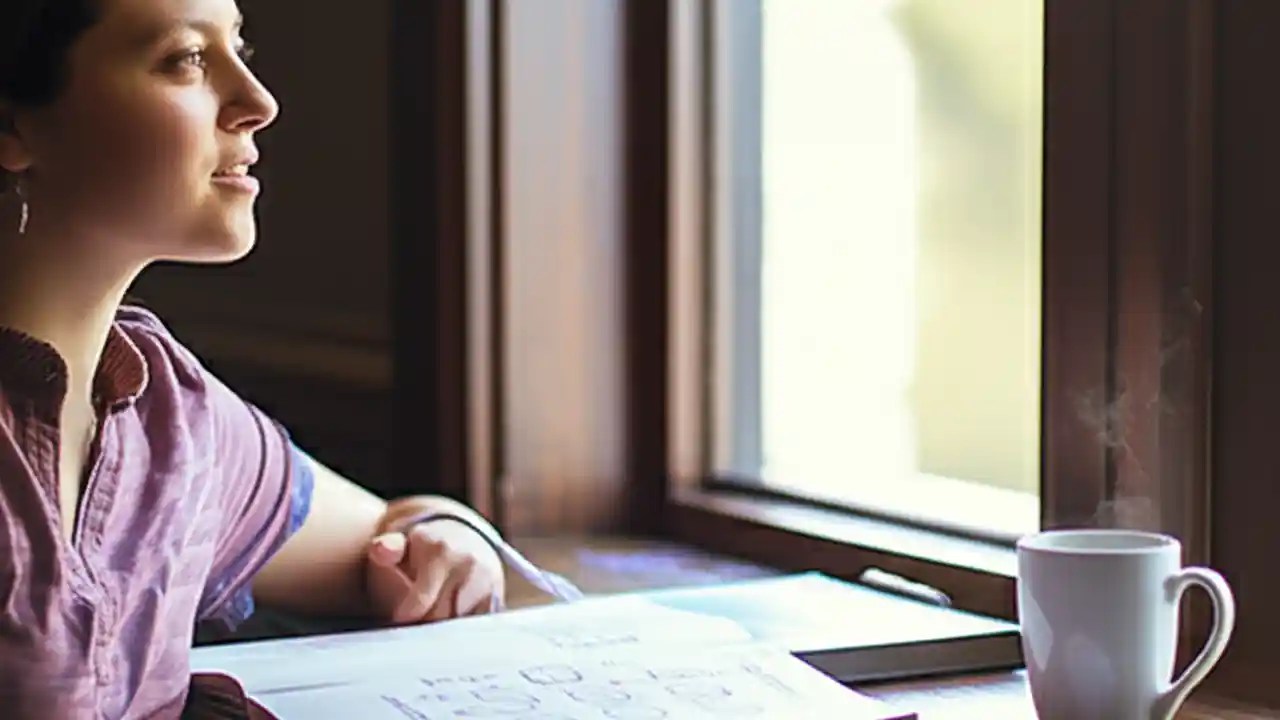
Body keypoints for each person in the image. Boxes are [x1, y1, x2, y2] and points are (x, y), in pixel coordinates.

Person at [0, 0, 508, 716]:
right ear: (13, 122)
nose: (259, 102)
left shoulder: (172, 417)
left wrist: (450, 538)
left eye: (239, 48)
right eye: (185, 59)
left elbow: (393, 532)